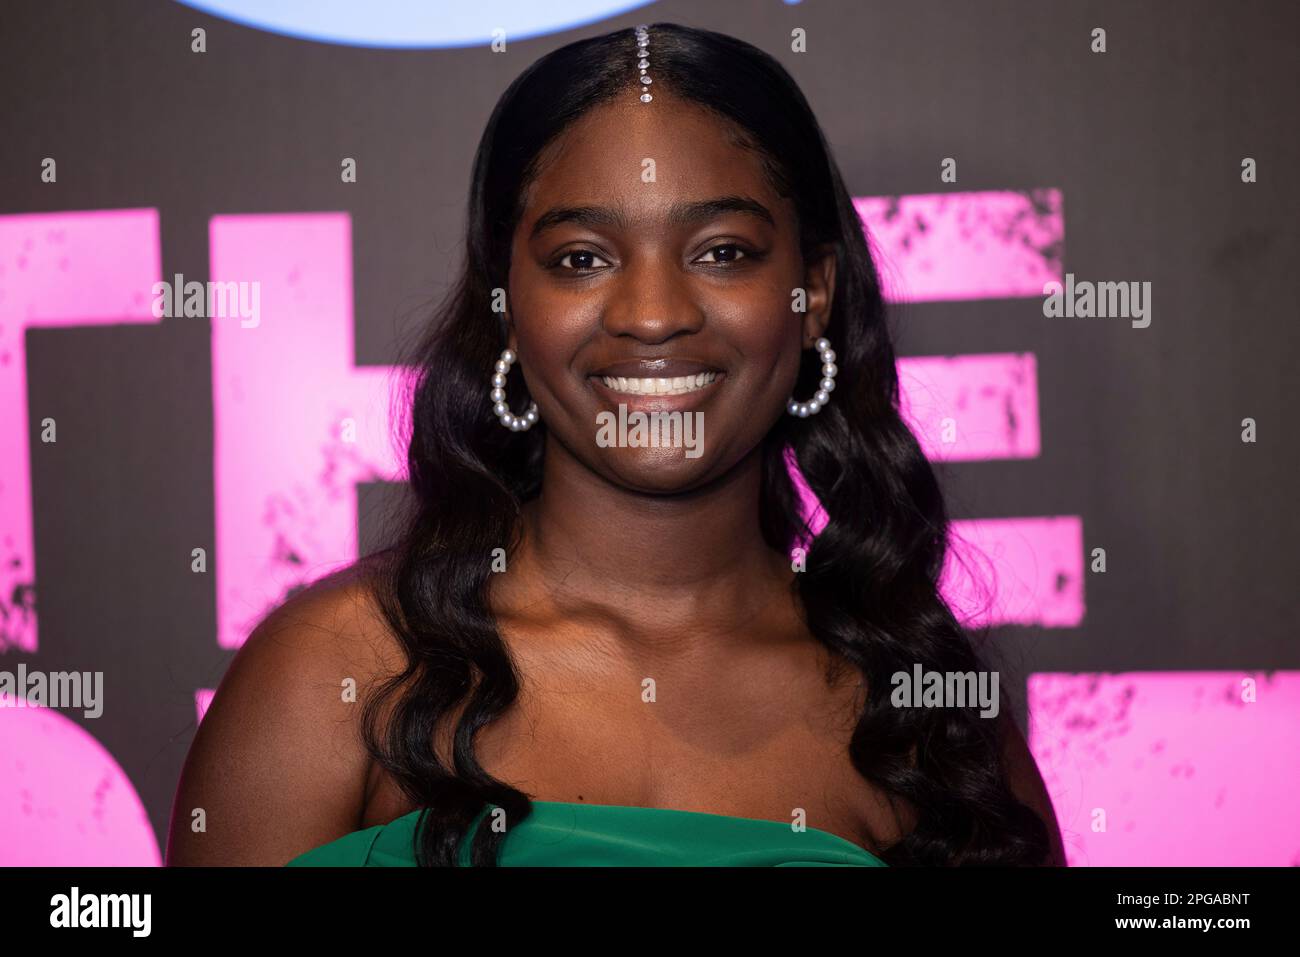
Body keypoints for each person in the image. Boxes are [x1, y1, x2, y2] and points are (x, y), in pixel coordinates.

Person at [166, 21, 1066, 867]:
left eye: (722, 251)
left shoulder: (925, 716)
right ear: (505, 301)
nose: (652, 316)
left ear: (815, 290)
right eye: (581, 258)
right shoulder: (338, 673)